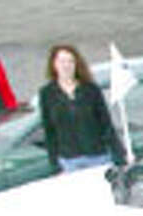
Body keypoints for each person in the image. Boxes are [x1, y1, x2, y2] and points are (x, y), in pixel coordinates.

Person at [38, 45, 123, 174]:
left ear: (77, 64)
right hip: (69, 161)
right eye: (62, 61)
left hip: (97, 157)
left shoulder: (91, 90)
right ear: (54, 64)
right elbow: (49, 131)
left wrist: (119, 153)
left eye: (70, 61)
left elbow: (106, 123)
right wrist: (54, 163)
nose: (66, 66)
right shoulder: (47, 94)